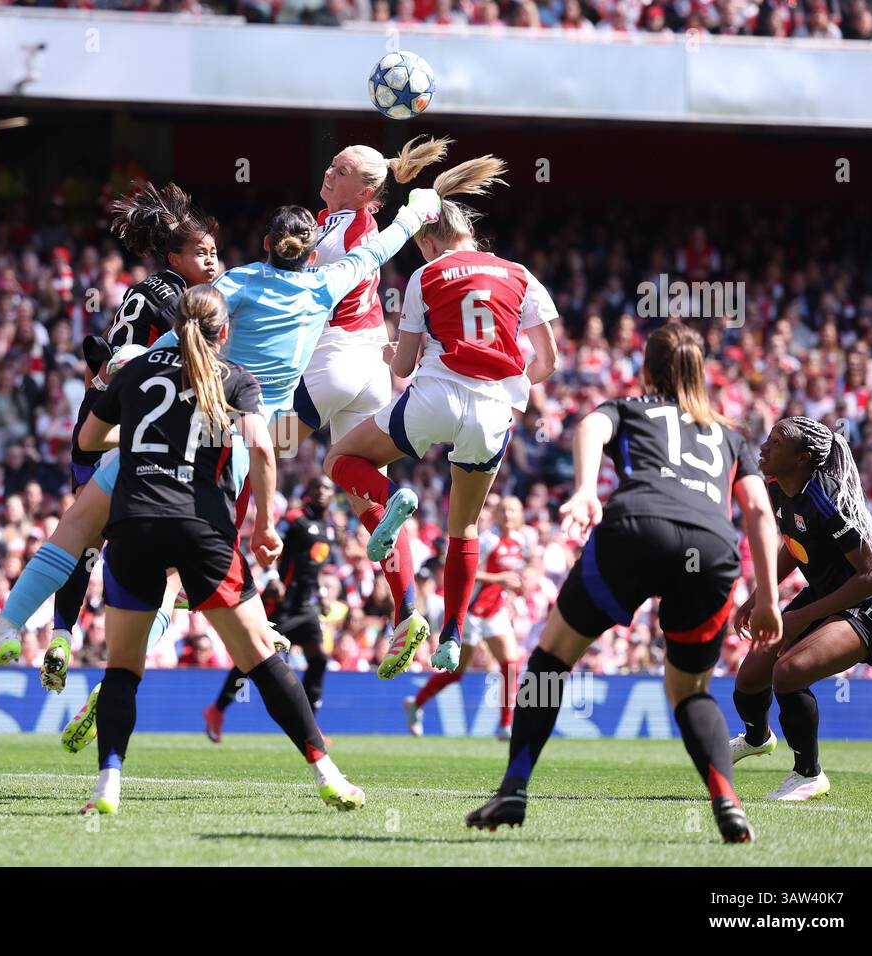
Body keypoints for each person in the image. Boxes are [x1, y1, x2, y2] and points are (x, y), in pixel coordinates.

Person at [0, 186, 442, 687]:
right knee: (176, 578)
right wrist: (415, 213)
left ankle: (5, 629)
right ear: (312, 250)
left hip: (164, 429)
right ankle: (129, 677)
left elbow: (188, 330)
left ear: (265, 243)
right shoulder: (326, 285)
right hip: (227, 449)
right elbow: (377, 250)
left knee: (77, 527)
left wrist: (128, 365)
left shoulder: (240, 282)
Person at [465, 323, 782, 844]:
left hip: (637, 528)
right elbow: (759, 514)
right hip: (712, 549)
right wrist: (768, 599)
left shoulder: (631, 408)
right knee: (689, 691)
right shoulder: (730, 434)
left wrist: (587, 490)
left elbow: (590, 425)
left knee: (551, 659)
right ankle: (727, 801)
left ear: (647, 372)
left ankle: (514, 788)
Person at [73, 285, 362, 814]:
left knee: (122, 668)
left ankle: (107, 786)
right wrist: (265, 525)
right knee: (260, 658)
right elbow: (260, 449)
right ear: (224, 331)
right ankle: (329, 775)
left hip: (133, 523)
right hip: (200, 526)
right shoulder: (237, 379)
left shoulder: (134, 373)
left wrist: (142, 438)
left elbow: (89, 441)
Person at [324, 155, 559, 678]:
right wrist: (509, 381)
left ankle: (392, 501)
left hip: (433, 399)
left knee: (339, 458)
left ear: (429, 241)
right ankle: (451, 636)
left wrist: (392, 356)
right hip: (492, 412)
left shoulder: (426, 274)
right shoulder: (521, 275)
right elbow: (548, 363)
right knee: (465, 526)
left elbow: (405, 365)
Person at [38, 183, 220, 694]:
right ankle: (120, 662)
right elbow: (192, 351)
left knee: (87, 537)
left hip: (104, 423)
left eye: (214, 252)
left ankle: (62, 635)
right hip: (122, 424)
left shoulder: (160, 292)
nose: (212, 260)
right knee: (145, 550)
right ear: (174, 257)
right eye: (201, 253)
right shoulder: (170, 296)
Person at [280, 137, 450, 661]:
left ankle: (217, 568)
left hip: (330, 367)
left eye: (342, 169)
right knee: (362, 493)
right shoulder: (332, 219)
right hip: (370, 373)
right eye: (331, 164)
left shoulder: (356, 226)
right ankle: (407, 613)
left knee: (258, 451)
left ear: (369, 189)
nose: (330, 172)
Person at [729, 416, 872, 801]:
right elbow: (793, 542)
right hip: (831, 589)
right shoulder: (777, 487)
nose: (765, 447)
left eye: (776, 441)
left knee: (789, 672)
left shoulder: (827, 495)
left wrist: (802, 614)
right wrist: (759, 596)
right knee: (751, 676)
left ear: (803, 458)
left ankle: (809, 774)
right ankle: (757, 738)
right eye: (767, 438)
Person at [204, 475, 337, 742]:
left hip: (305, 606)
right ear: (308, 491)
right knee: (252, 657)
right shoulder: (294, 519)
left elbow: (315, 568)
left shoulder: (328, 527)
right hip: (283, 604)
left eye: (328, 488)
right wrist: (274, 578)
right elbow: (269, 546)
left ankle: (310, 725)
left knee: (319, 659)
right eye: (317, 486)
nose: (323, 492)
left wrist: (321, 593)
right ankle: (217, 710)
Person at [403, 496, 532, 739]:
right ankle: (415, 704)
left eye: (513, 510)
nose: (508, 515)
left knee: (511, 665)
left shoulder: (520, 541)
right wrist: (500, 579)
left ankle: (506, 726)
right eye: (503, 510)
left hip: (496, 612)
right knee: (455, 673)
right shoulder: (488, 540)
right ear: (496, 515)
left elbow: (510, 576)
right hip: (472, 612)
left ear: (520, 515)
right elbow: (467, 571)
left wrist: (511, 592)